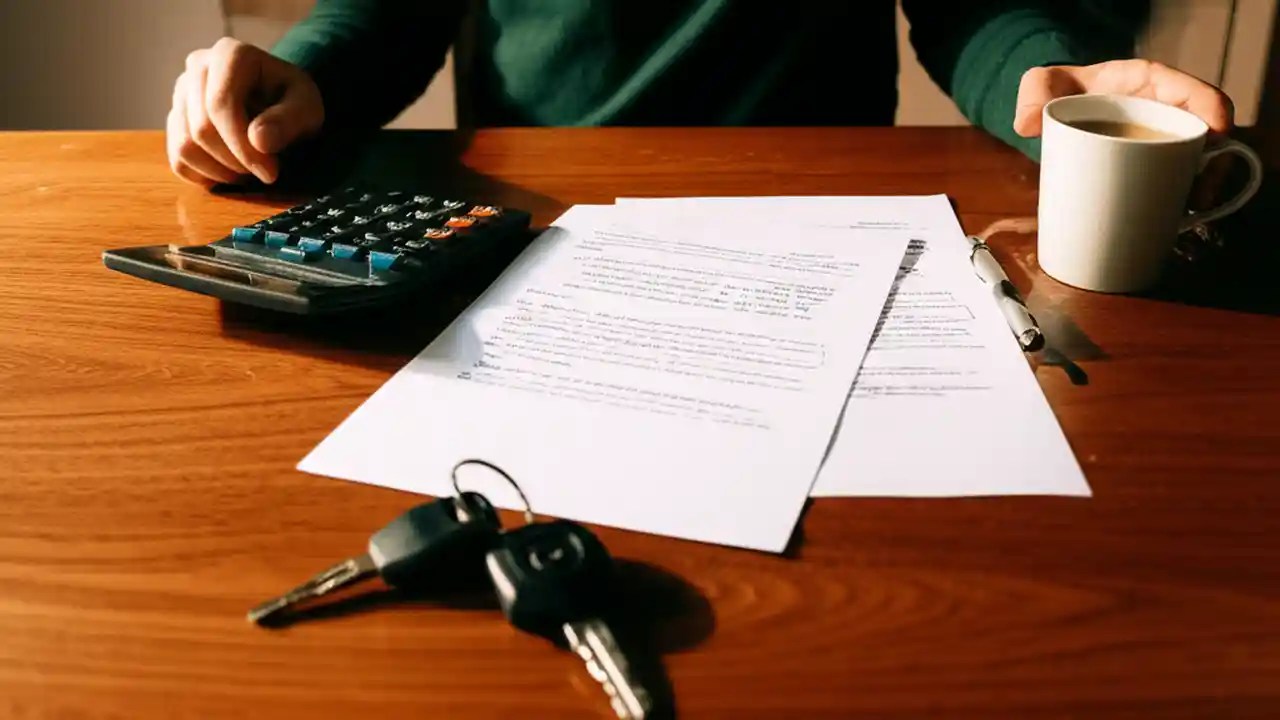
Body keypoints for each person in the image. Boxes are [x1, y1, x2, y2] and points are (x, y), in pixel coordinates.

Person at [166, 1, 1234, 187]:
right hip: (531, 215)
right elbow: (393, 11)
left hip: (820, 214)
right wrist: (303, 76)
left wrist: (1048, 78)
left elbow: (968, 5)